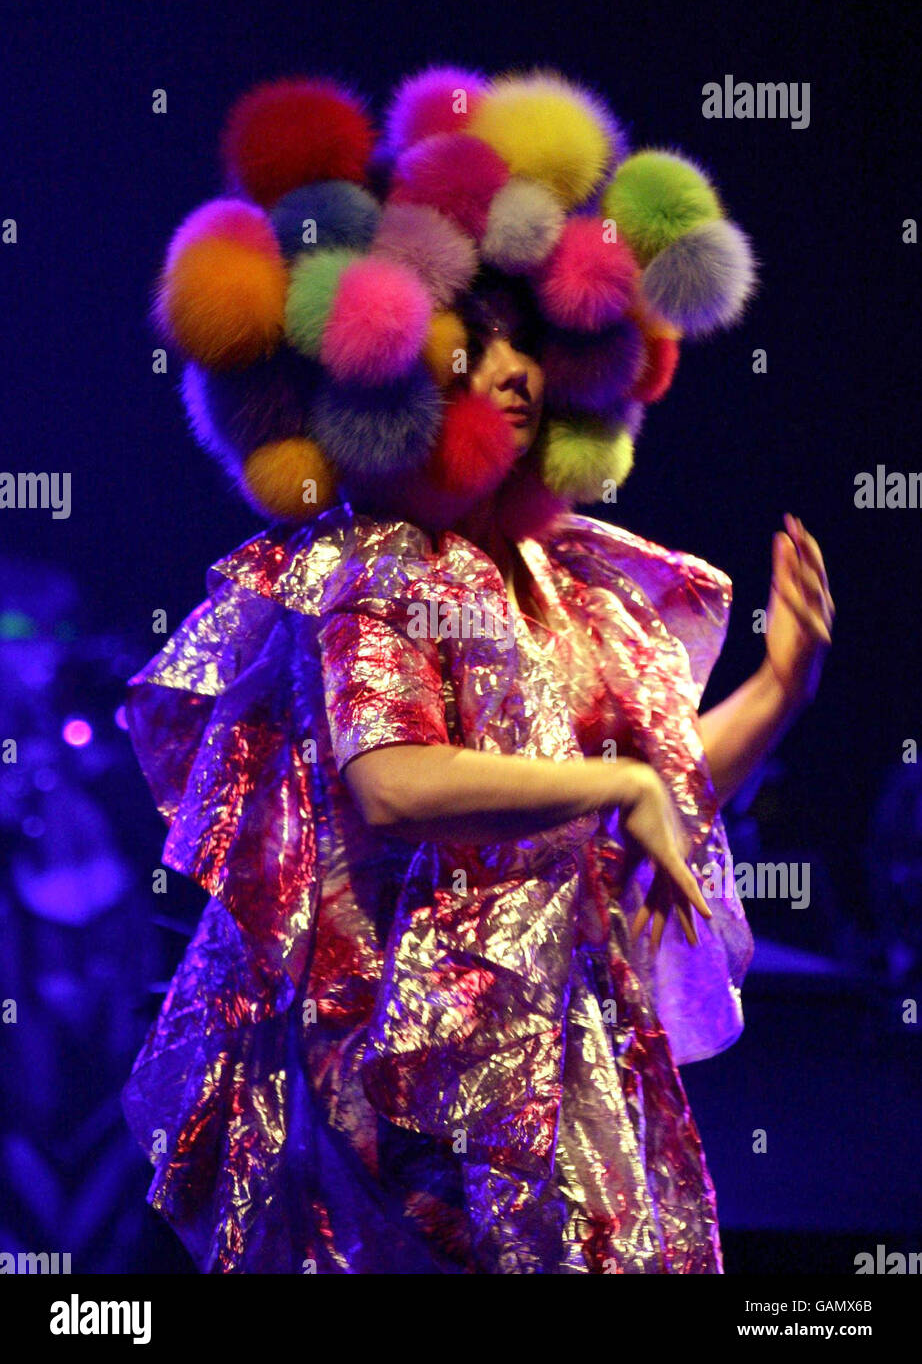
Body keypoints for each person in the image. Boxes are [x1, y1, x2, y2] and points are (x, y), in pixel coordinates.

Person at [122, 66, 834, 1273]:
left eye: (528, 345)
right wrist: (615, 791)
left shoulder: (566, 576)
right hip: (414, 1076)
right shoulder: (375, 565)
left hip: (571, 1048)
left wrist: (776, 690)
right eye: (478, 347)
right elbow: (392, 780)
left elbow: (648, 785)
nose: (512, 372)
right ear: (400, 368)